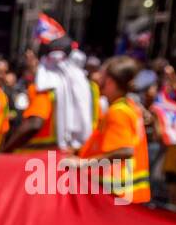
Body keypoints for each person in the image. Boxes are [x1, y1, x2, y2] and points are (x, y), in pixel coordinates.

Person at [61, 56, 150, 204]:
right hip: (122, 194)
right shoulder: (128, 106)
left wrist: (83, 163)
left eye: (101, 74)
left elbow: (125, 151)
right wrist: (80, 151)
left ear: (109, 81)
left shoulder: (118, 112)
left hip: (116, 194)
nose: (96, 78)